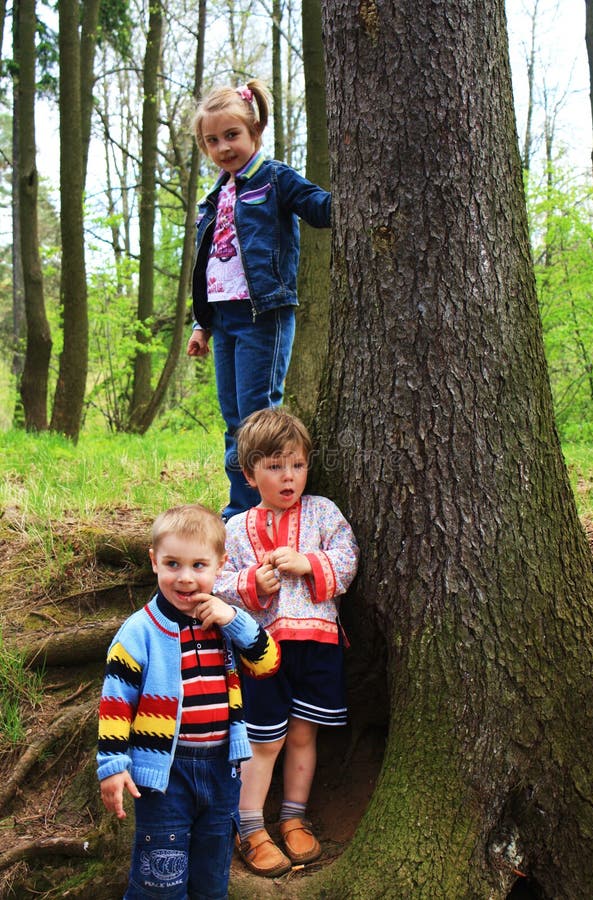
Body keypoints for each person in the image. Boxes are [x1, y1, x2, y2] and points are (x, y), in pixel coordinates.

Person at [97, 504, 280, 900]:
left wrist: (233, 618)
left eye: (199, 565)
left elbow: (267, 663)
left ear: (220, 565)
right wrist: (112, 765)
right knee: (160, 882)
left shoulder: (225, 623)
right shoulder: (140, 632)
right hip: (165, 776)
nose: (185, 577)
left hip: (222, 769)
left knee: (211, 880)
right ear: (154, 562)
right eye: (172, 564)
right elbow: (116, 702)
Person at [213, 407, 359, 878]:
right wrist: (252, 583)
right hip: (262, 653)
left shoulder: (323, 512)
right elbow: (216, 583)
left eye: (297, 464)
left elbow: (348, 557)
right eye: (275, 466)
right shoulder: (236, 529)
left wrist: (309, 564)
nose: (289, 476)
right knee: (264, 739)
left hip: (318, 645)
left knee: (302, 734)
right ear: (249, 473)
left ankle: (294, 816)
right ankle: (250, 826)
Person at [186, 79, 331, 521]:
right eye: (212, 140)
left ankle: (265, 509)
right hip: (223, 318)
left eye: (232, 135)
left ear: (255, 131)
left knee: (256, 416)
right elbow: (208, 266)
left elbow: (318, 206)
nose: (223, 147)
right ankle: (240, 513)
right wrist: (201, 324)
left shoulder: (274, 178)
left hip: (262, 313)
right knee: (234, 420)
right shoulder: (214, 196)